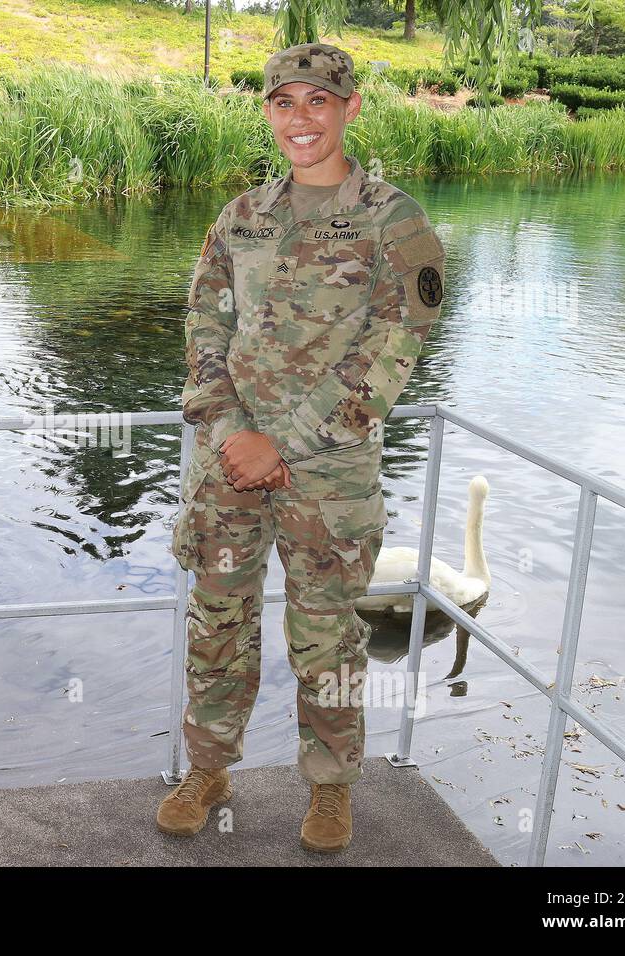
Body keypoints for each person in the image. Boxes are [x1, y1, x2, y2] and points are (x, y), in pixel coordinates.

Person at [158, 42, 446, 852]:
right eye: (285, 103)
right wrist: (230, 434)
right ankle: (207, 767)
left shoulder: (397, 220)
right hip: (230, 465)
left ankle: (329, 787)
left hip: (331, 473)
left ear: (349, 109)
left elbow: (395, 350)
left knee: (328, 635)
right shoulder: (241, 216)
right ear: (269, 115)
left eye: (317, 102)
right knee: (217, 619)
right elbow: (203, 328)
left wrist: (279, 442)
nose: (301, 119)